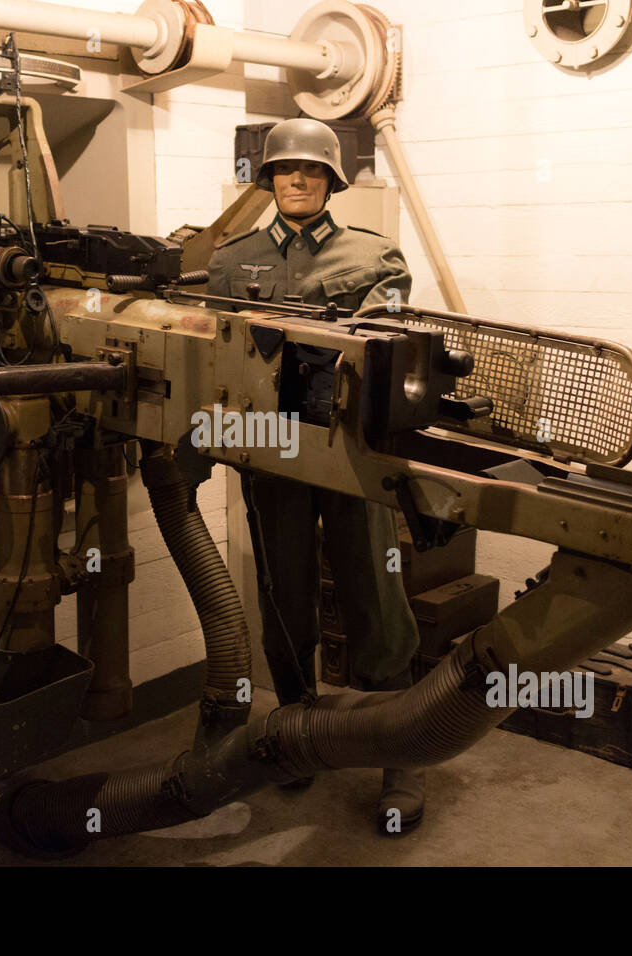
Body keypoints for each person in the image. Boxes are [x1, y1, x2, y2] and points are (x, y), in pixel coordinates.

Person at [206, 118, 425, 836]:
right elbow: (218, 347)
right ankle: (295, 734)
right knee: (282, 590)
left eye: (310, 171)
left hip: (349, 450)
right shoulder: (232, 260)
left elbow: (385, 335)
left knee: (375, 591)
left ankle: (400, 749)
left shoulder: (374, 254)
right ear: (266, 179)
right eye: (283, 170)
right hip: (271, 452)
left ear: (332, 180)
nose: (295, 181)